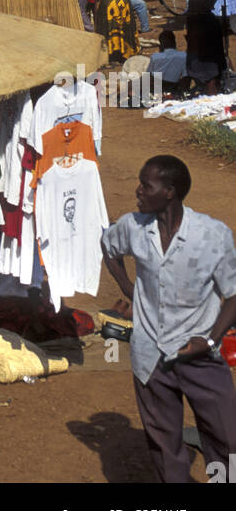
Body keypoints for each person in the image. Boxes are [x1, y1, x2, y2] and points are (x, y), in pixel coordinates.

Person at [101, 155, 236, 484]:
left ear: (170, 192)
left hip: (199, 354)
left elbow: (233, 295)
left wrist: (209, 340)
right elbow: (109, 247)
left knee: (226, 437)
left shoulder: (211, 236)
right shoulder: (133, 227)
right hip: (150, 355)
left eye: (146, 185)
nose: (138, 191)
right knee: (164, 445)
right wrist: (130, 289)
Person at [147, 31, 190, 95]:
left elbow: (148, 75)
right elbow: (186, 77)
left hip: (157, 89)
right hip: (174, 88)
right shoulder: (183, 56)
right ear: (174, 43)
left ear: (161, 45)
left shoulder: (155, 57)